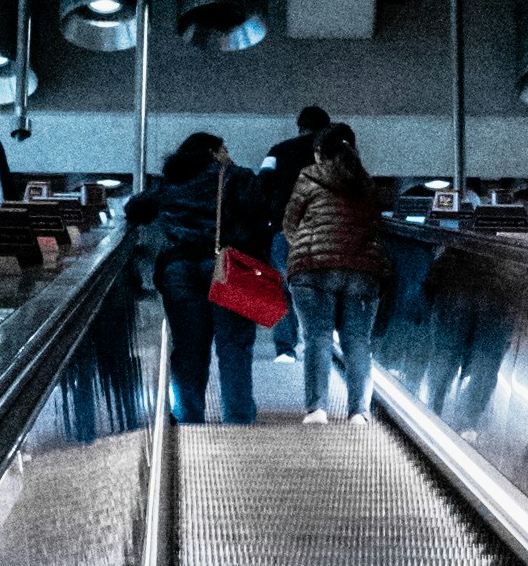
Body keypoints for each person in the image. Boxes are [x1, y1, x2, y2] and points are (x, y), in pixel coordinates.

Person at [142, 121, 278, 423]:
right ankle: (238, 418)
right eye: (224, 148)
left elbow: (136, 209)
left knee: (189, 349)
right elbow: (260, 216)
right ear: (213, 152)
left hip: (179, 269)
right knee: (234, 346)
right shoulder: (236, 177)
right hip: (228, 267)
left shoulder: (169, 183)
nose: (228, 153)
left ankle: (188, 416)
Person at [275, 103, 389, 418]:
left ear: (318, 153)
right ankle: (359, 413)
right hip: (362, 271)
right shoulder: (366, 182)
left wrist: (306, 246)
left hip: (312, 270)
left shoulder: (309, 176)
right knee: (357, 341)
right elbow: (375, 223)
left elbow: (289, 222)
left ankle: (317, 411)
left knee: (317, 338)